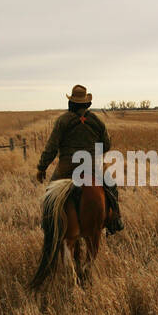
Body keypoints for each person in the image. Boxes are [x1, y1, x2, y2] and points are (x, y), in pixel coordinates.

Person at [35, 84, 124, 234]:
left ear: (71, 102)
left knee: (50, 194)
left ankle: (48, 223)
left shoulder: (63, 120)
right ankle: (115, 220)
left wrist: (42, 167)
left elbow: (51, 147)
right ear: (87, 103)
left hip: (66, 168)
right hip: (92, 167)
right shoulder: (97, 121)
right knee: (111, 187)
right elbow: (106, 145)